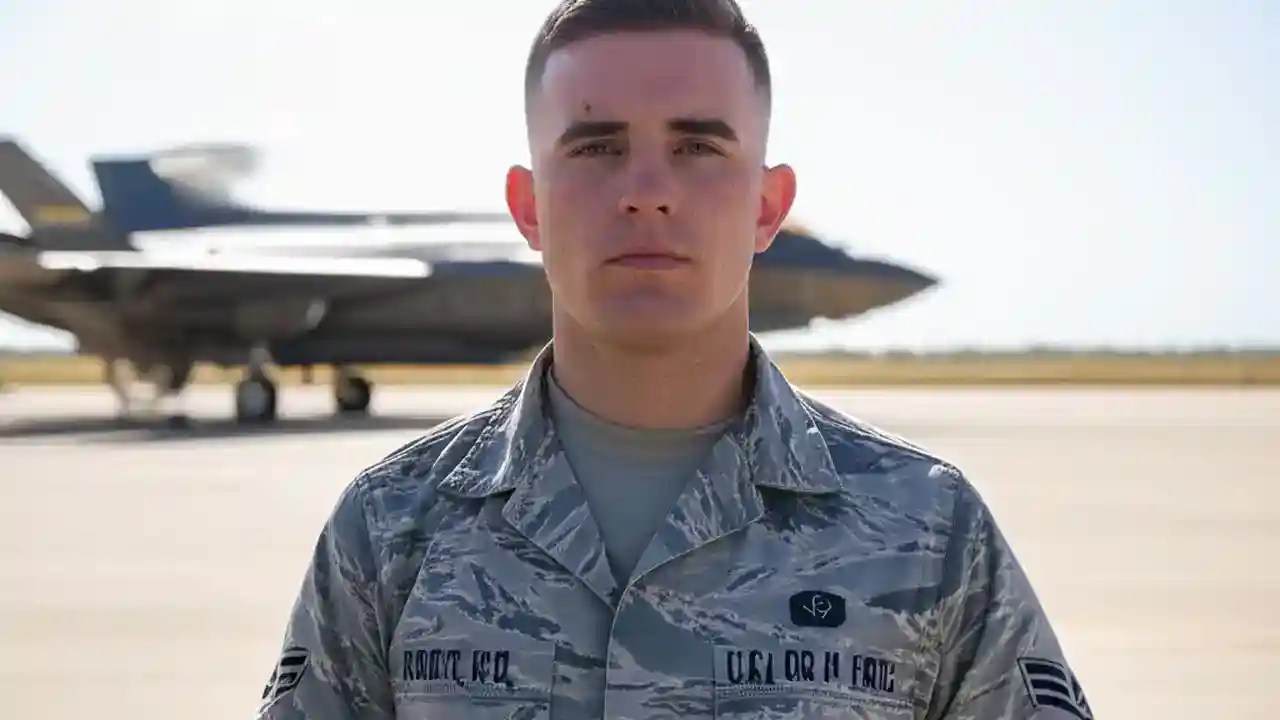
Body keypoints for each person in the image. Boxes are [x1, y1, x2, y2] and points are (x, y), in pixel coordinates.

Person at [256, 1, 1092, 718]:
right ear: (528, 207)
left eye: (698, 147)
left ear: (767, 206)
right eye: (596, 148)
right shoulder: (390, 531)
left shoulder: (928, 531)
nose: (647, 191)